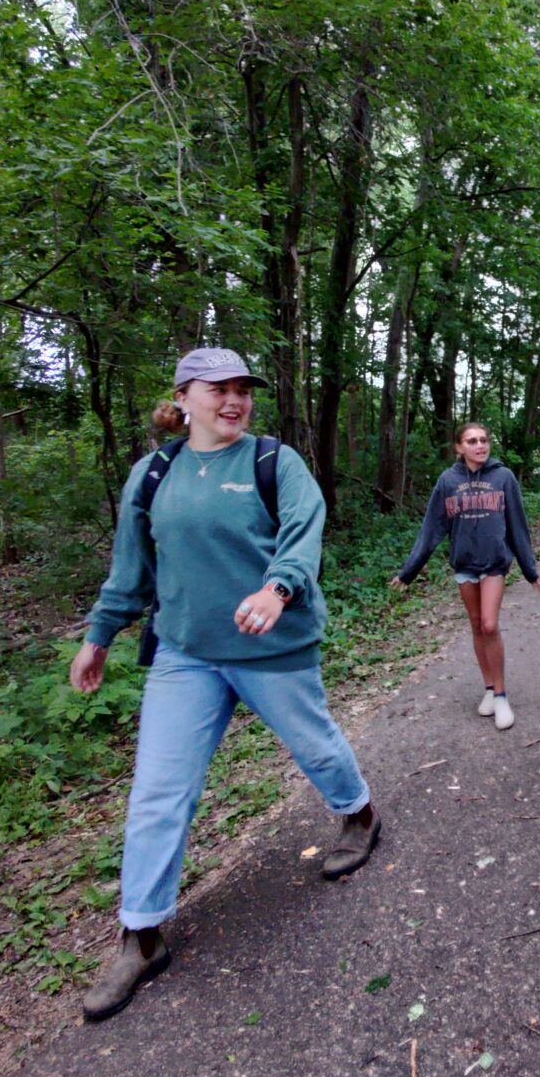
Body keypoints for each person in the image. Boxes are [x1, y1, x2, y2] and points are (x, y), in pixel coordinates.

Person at [69, 348, 379, 1023]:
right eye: (220, 390)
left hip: (273, 647)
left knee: (316, 746)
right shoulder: (152, 476)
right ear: (184, 397)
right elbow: (131, 569)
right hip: (185, 654)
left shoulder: (273, 462)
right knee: (157, 790)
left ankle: (358, 813)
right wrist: (99, 635)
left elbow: (303, 531)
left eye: (243, 390)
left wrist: (278, 585)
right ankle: (141, 935)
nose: (235, 401)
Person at [391, 422, 540, 730]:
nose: (479, 445)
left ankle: (501, 696)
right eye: (472, 441)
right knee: (475, 625)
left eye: (484, 440)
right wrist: (408, 571)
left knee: (489, 624)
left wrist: (530, 569)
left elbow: (517, 526)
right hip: (464, 564)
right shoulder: (448, 481)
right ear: (459, 448)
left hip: (494, 563)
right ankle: (488, 689)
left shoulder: (503, 478)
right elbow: (431, 529)